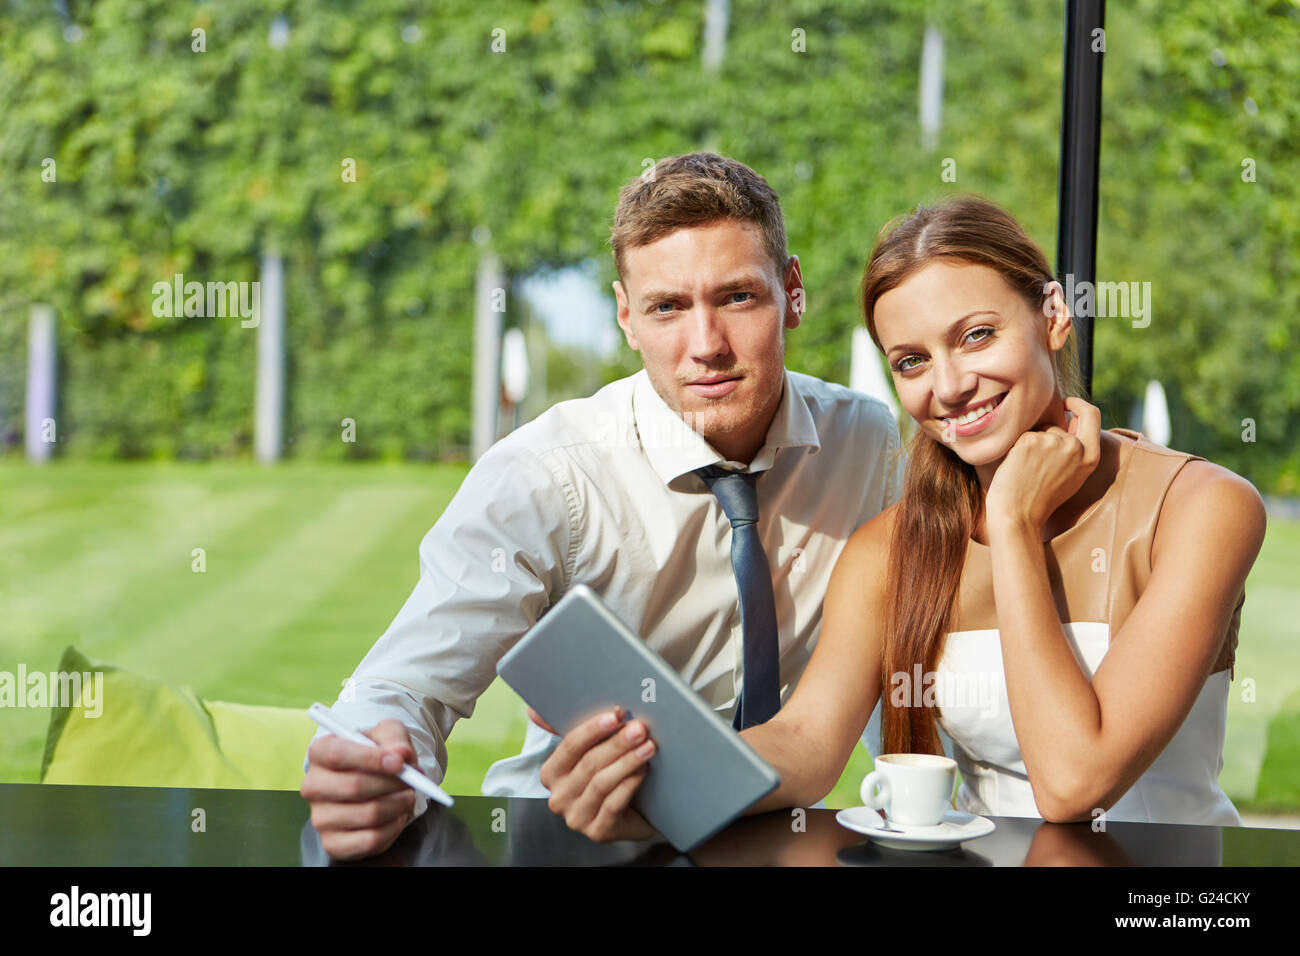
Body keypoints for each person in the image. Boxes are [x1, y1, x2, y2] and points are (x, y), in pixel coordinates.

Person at [542, 195, 1265, 838]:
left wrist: (1011, 523)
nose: (950, 387)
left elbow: (1074, 783)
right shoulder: (887, 551)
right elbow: (804, 742)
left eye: (977, 334)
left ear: (1052, 316)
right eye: (913, 361)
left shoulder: (1203, 509)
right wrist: (662, 780)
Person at [299, 152, 904, 860]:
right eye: (667, 307)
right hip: (569, 837)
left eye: (736, 297)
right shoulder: (542, 474)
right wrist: (372, 763)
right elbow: (406, 685)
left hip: (772, 838)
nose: (705, 346)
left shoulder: (865, 439)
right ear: (626, 316)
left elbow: (889, 679)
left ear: (792, 291)